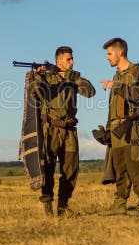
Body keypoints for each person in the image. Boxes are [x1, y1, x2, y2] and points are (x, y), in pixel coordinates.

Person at [29, 46, 95, 217]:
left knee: (71, 169)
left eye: (72, 59)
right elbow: (35, 93)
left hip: (69, 130)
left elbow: (90, 92)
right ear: (59, 61)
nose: (72, 62)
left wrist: (72, 77)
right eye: (68, 59)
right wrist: (38, 75)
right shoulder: (45, 78)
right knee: (47, 168)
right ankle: (48, 207)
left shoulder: (73, 78)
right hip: (50, 129)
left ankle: (63, 206)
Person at [99, 38, 139, 216]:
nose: (107, 57)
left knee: (134, 164)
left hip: (131, 126)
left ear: (120, 52)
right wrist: (108, 129)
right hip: (116, 127)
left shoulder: (136, 71)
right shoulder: (117, 76)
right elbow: (112, 105)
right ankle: (120, 203)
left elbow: (136, 94)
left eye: (109, 53)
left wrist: (116, 85)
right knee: (119, 166)